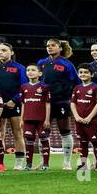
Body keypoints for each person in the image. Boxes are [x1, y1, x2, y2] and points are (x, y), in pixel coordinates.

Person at [37, 38, 80, 170]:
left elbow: (77, 83)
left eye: (53, 45)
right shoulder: (41, 63)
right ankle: (43, 162)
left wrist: (71, 97)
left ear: (60, 48)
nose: (49, 47)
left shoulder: (67, 64)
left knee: (65, 131)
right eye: (48, 45)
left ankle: (67, 162)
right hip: (44, 102)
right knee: (43, 132)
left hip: (61, 101)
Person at [0, 43, 29, 170]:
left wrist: (14, 99)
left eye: (3, 50)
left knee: (17, 132)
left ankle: (19, 163)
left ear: (11, 52)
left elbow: (24, 87)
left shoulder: (19, 68)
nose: (0, 52)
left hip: (14, 104)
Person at [70, 65, 97, 172]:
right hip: (79, 121)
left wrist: (90, 117)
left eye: (86, 72)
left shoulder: (95, 88)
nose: (83, 74)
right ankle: (83, 164)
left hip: (92, 121)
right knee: (83, 143)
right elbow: (73, 103)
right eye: (81, 72)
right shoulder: (77, 88)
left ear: (92, 74)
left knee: (96, 142)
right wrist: (76, 116)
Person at [20, 64, 52, 170]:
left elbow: (48, 104)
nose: (30, 72)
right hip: (28, 119)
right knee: (28, 141)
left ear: (40, 73)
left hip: (41, 119)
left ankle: (45, 164)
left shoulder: (44, 87)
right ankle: (28, 165)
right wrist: (21, 119)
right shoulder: (24, 87)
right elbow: (23, 104)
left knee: (44, 140)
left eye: (33, 70)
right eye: (28, 70)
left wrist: (47, 119)